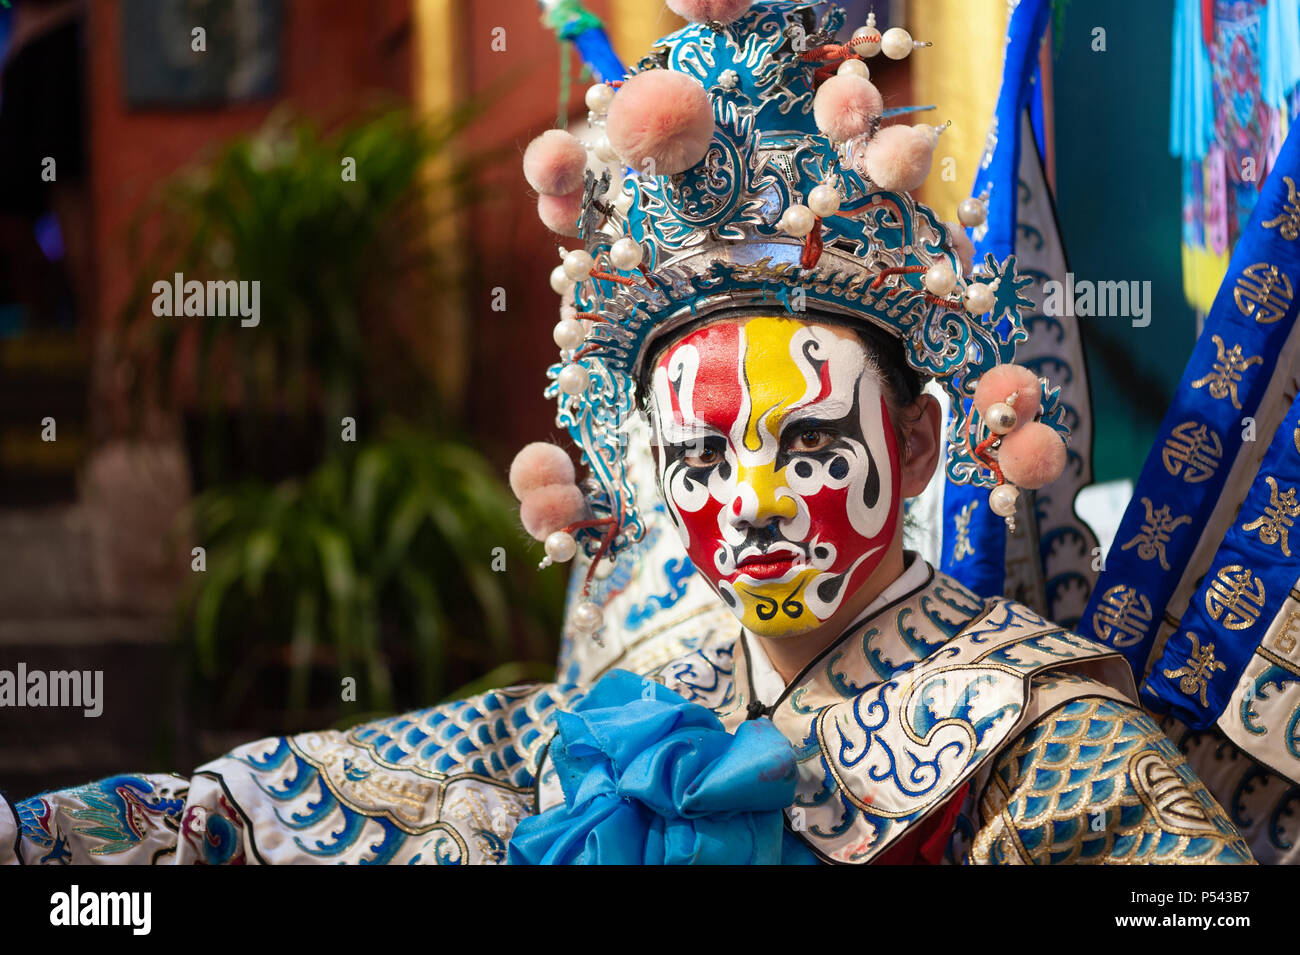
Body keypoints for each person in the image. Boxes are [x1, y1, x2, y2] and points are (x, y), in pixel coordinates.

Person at [0, 1, 1256, 865]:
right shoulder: (654, 682)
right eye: (701, 461)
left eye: (810, 447)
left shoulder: (1043, 734)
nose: (750, 498)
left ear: (919, 446)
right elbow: (357, 785)